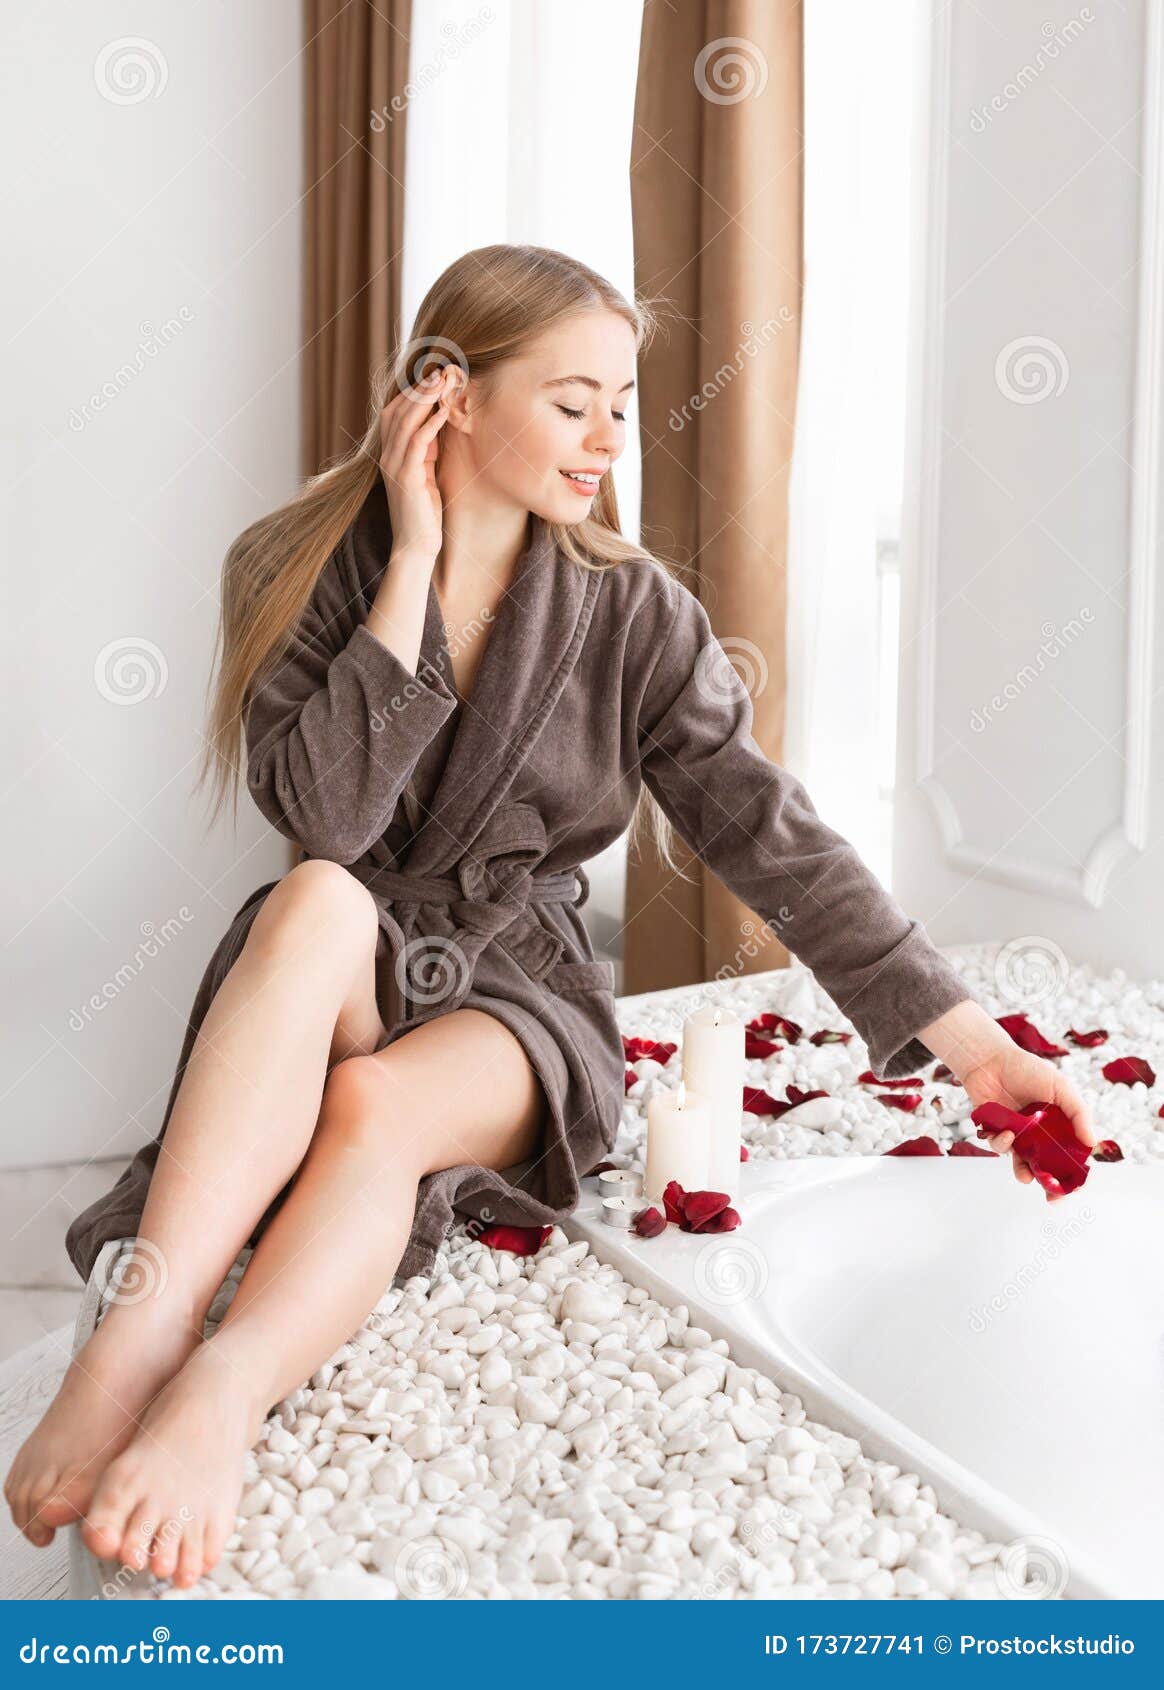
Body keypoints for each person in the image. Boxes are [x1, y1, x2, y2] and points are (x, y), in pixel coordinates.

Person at [4, 245, 1091, 1590]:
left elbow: (767, 825)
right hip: (349, 950)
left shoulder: (636, 614)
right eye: (573, 400)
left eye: (621, 402)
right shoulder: (298, 566)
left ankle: (222, 1391)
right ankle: (132, 1344)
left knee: (370, 1113)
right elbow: (331, 817)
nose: (609, 438)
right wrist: (410, 559)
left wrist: (970, 1039)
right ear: (448, 392)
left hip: (516, 991)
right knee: (317, 891)